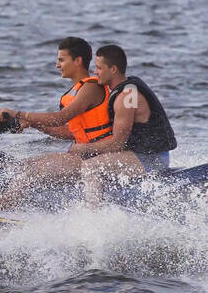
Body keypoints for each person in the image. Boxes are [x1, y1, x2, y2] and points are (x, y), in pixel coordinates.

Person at [0, 37, 113, 209]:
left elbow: (59, 118)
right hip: (81, 154)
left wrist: (18, 114)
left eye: (61, 60)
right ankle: (9, 211)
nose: (57, 65)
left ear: (78, 61)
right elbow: (69, 132)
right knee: (27, 165)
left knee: (30, 171)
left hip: (95, 158)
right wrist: (33, 124)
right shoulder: (77, 89)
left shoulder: (91, 88)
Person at [69, 45, 177, 200]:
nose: (95, 72)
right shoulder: (127, 88)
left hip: (152, 159)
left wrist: (83, 148)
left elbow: (117, 144)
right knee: (92, 160)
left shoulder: (126, 97)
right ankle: (109, 200)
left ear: (113, 69)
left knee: (91, 167)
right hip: (145, 154)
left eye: (99, 68)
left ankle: (93, 216)